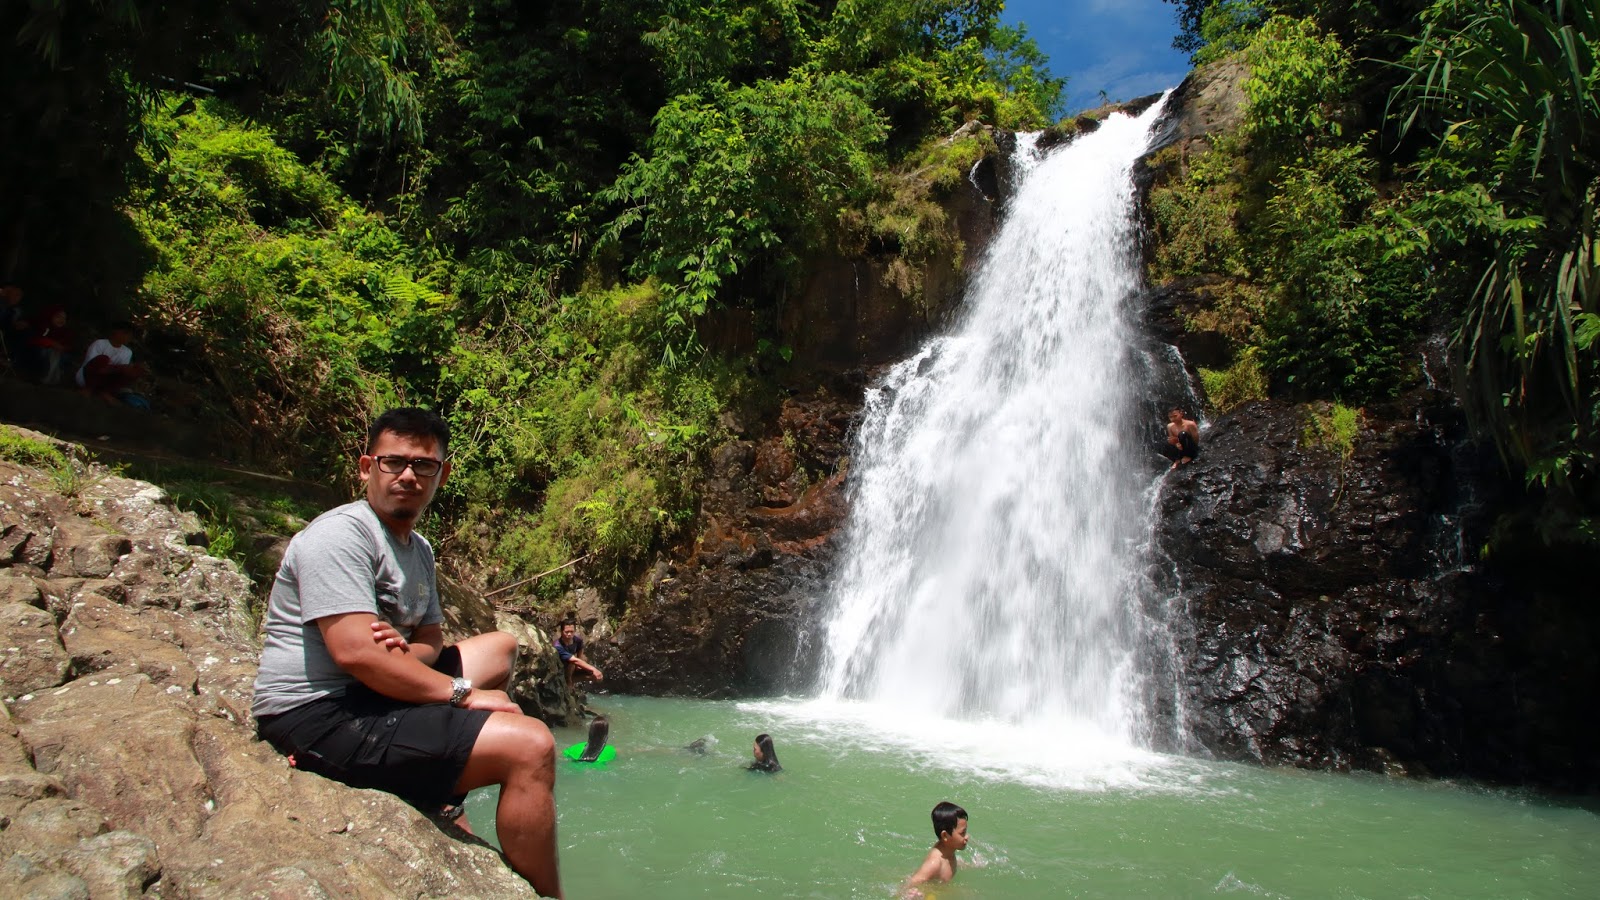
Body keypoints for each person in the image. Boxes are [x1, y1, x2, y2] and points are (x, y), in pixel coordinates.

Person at [250, 407, 563, 898]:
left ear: (443, 474)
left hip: (374, 690)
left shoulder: (416, 547)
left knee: (500, 647)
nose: (408, 476)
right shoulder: (340, 535)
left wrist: (405, 658)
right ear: (366, 467)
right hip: (318, 713)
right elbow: (355, 654)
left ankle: (443, 798)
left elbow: (431, 639)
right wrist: (459, 693)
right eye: (393, 462)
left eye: (424, 465)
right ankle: (547, 895)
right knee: (531, 745)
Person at [904, 801, 970, 890]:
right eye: (962, 833)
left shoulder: (948, 850)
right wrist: (910, 894)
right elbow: (912, 883)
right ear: (945, 836)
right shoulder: (935, 863)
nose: (967, 837)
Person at [76, 321, 145, 403]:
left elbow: (122, 372)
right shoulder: (99, 344)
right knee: (103, 359)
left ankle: (105, 392)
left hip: (106, 381)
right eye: (126, 333)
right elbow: (91, 366)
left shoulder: (127, 352)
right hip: (87, 378)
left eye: (130, 335)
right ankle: (89, 389)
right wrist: (117, 368)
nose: (129, 337)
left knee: (135, 370)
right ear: (116, 332)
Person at [24, 305, 73, 384]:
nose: (61, 320)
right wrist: (51, 343)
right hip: (40, 352)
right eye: (58, 317)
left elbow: (68, 347)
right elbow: (36, 339)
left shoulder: (66, 332)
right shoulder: (44, 326)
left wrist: (61, 348)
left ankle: (50, 379)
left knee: (62, 356)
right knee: (43, 352)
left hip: (58, 354)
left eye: (64, 318)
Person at [554, 621, 603, 685]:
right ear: (561, 632)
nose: (569, 634)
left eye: (571, 632)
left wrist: (580, 663)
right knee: (571, 663)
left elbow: (580, 649)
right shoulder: (557, 646)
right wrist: (593, 669)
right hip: (560, 668)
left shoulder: (577, 640)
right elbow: (574, 660)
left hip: (572, 665)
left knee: (585, 661)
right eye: (566, 632)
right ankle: (568, 682)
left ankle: (574, 681)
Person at [0, 284, 27, 360]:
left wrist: (20, 324)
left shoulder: (17, 310)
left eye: (19, 296)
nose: (16, 297)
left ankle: (11, 358)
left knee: (24, 332)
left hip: (9, 334)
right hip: (3, 332)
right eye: (14, 294)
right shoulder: (2, 305)